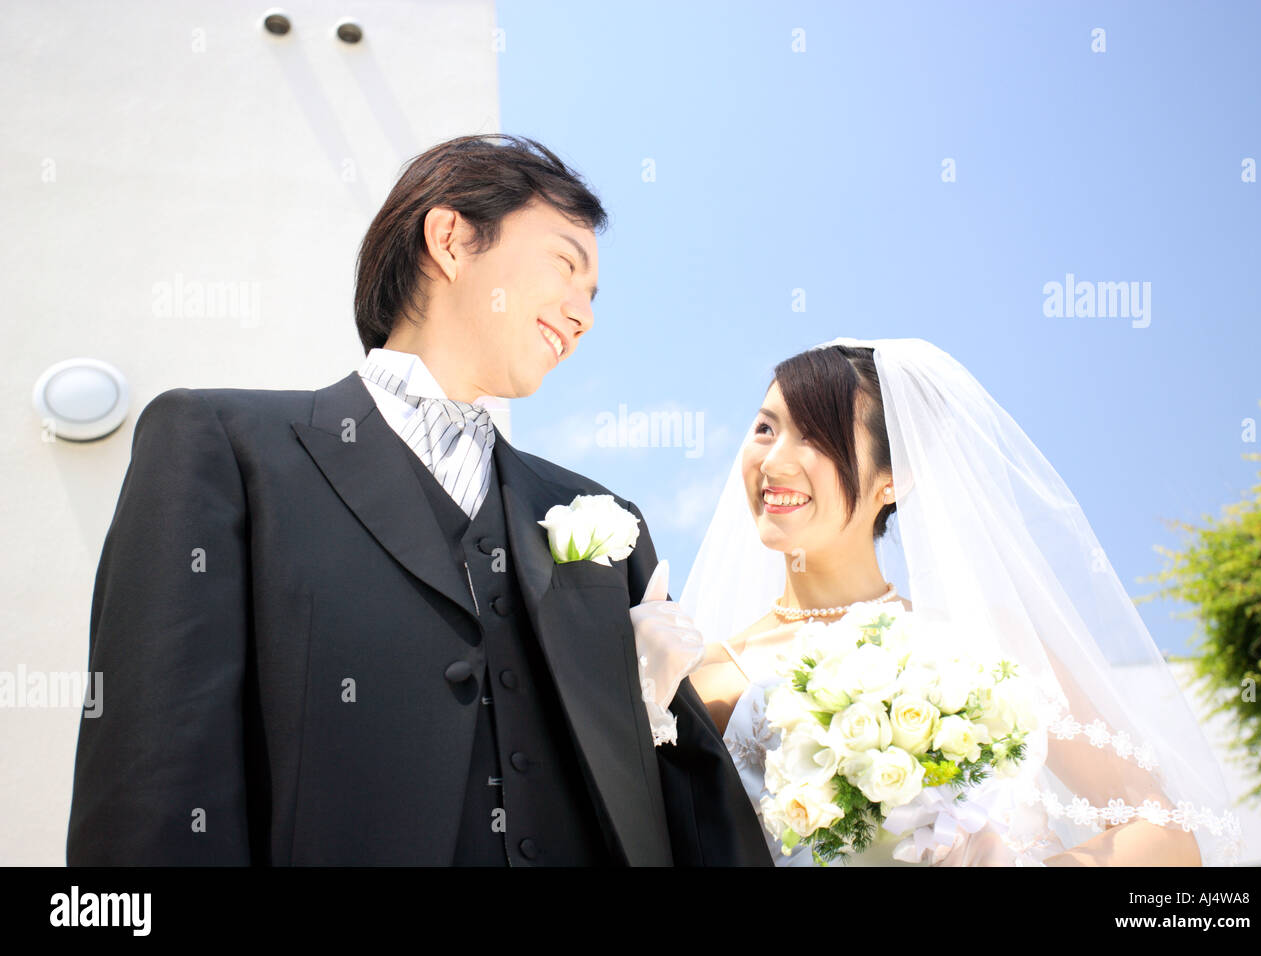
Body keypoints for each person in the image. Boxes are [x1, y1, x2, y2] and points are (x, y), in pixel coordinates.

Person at [66, 134, 771, 866]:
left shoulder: (600, 513)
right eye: (566, 265)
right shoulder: (224, 445)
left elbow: (693, 800)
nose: (582, 314)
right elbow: (156, 760)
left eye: (593, 297)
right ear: (451, 239)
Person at [673, 338, 1242, 866]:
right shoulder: (711, 680)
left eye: (816, 436)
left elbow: (1165, 831)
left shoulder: (989, 644)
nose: (773, 463)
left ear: (893, 478)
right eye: (767, 428)